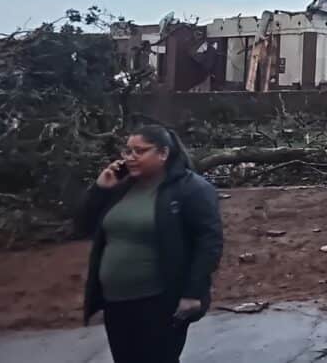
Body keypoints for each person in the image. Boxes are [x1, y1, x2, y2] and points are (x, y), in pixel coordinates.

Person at [78, 125, 223, 363]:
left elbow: (209, 242)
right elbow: (83, 227)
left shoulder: (190, 189)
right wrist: (100, 189)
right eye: (127, 151)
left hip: (160, 302)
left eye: (140, 151)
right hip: (117, 302)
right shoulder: (120, 188)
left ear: (163, 153)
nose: (130, 157)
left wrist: (193, 292)